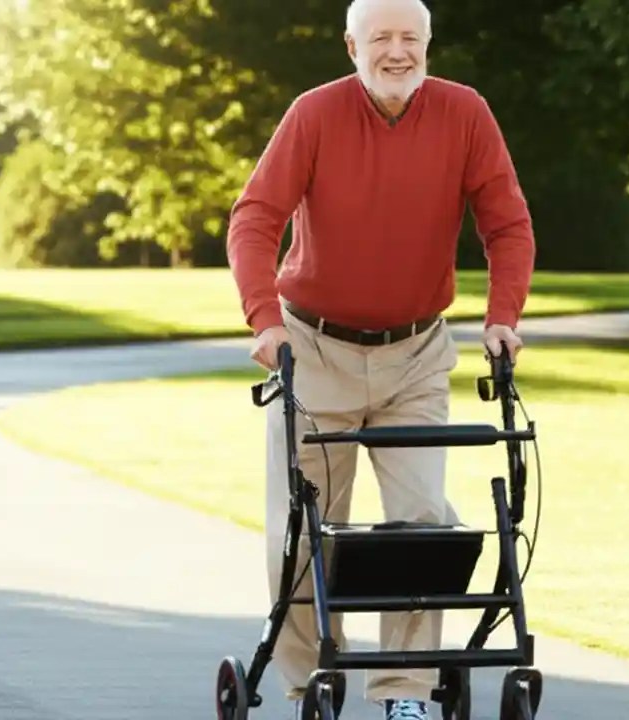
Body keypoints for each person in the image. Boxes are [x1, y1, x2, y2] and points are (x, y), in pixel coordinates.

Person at [224, 0, 536, 717]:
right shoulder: (314, 114)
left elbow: (507, 223)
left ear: (428, 44)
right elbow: (255, 219)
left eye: (410, 39)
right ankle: (309, 684)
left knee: (423, 521)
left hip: (418, 352)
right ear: (351, 46)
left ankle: (404, 694)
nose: (397, 53)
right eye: (381, 39)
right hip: (312, 350)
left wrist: (502, 319)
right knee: (302, 531)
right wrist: (264, 321)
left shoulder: (465, 114)